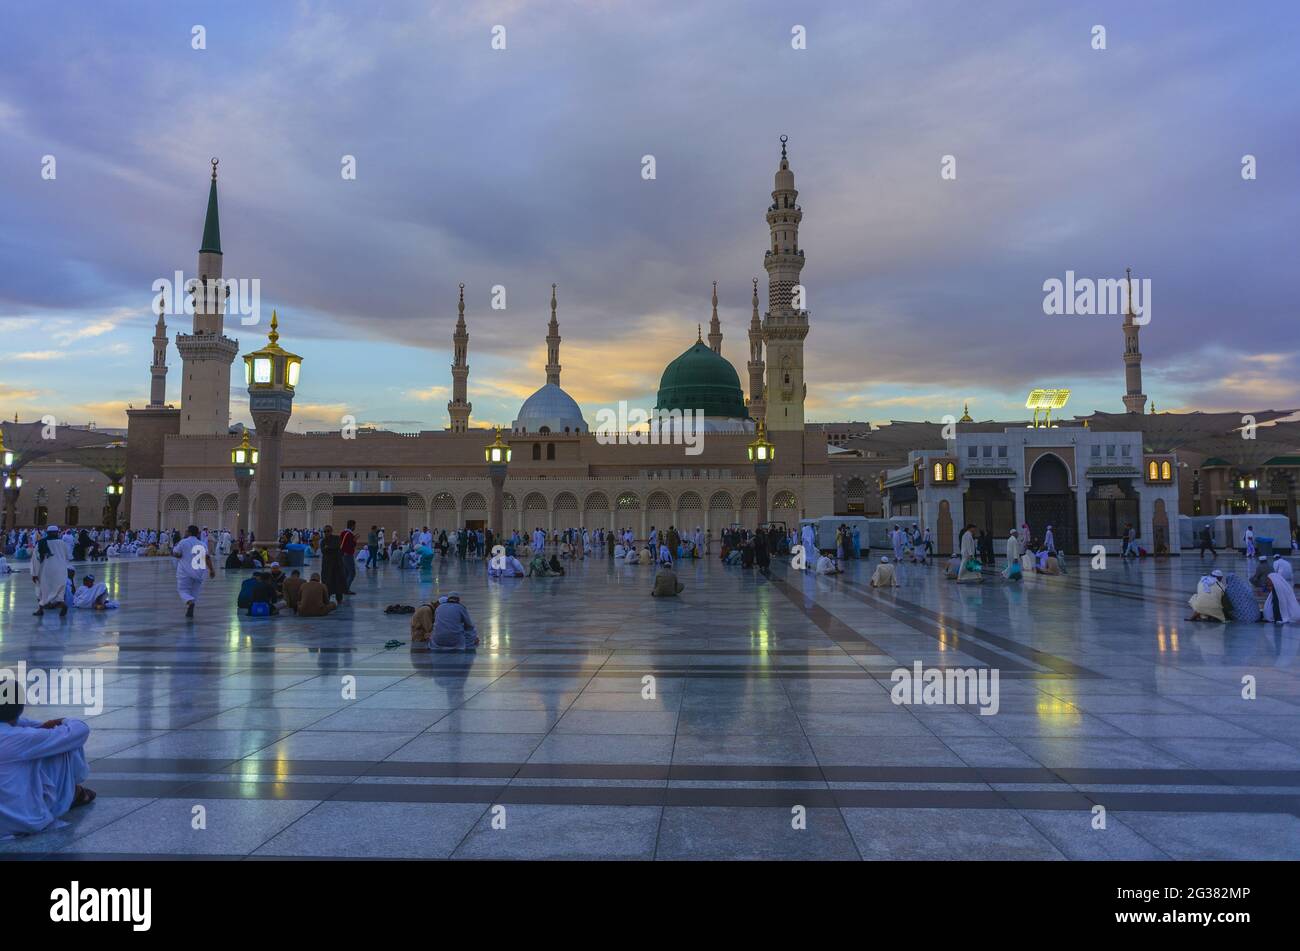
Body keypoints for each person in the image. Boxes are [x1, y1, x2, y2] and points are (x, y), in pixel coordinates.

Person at [0, 683, 95, 838]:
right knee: (62, 745)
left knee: (43, 746)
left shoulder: (18, 735)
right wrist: (63, 720)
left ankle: (72, 792)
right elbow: (79, 731)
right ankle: (72, 792)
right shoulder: (22, 738)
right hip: (21, 821)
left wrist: (44, 725)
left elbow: (21, 723)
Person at [172, 525, 214, 619]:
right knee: (195, 591)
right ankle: (191, 605)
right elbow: (207, 558)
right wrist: (211, 570)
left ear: (189, 532)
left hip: (185, 572)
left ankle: (189, 601)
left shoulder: (183, 542)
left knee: (182, 590)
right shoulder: (202, 544)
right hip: (199, 572)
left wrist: (176, 554)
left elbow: (176, 553)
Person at [31, 525, 70, 618]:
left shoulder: (41, 543)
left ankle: (40, 609)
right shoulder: (62, 543)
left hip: (46, 570)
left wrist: (34, 573)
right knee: (59, 590)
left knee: (42, 590)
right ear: (57, 533)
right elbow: (67, 557)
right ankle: (62, 604)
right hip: (61, 570)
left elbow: (36, 559)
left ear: (47, 533)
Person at [319, 526, 347, 605]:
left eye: (328, 531)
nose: (326, 533)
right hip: (327, 567)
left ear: (331, 531)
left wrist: (329, 548)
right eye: (324, 531)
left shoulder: (336, 538)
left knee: (338, 584)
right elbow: (323, 550)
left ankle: (339, 600)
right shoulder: (323, 541)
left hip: (337, 566)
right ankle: (327, 601)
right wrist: (332, 549)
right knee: (327, 584)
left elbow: (338, 546)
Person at [340, 520, 358, 594]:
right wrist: (355, 540)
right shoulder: (348, 534)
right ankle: (346, 589)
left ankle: (343, 588)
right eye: (354, 526)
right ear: (352, 526)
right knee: (352, 573)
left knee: (346, 573)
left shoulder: (344, 533)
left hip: (344, 555)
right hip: (347, 555)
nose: (355, 527)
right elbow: (349, 546)